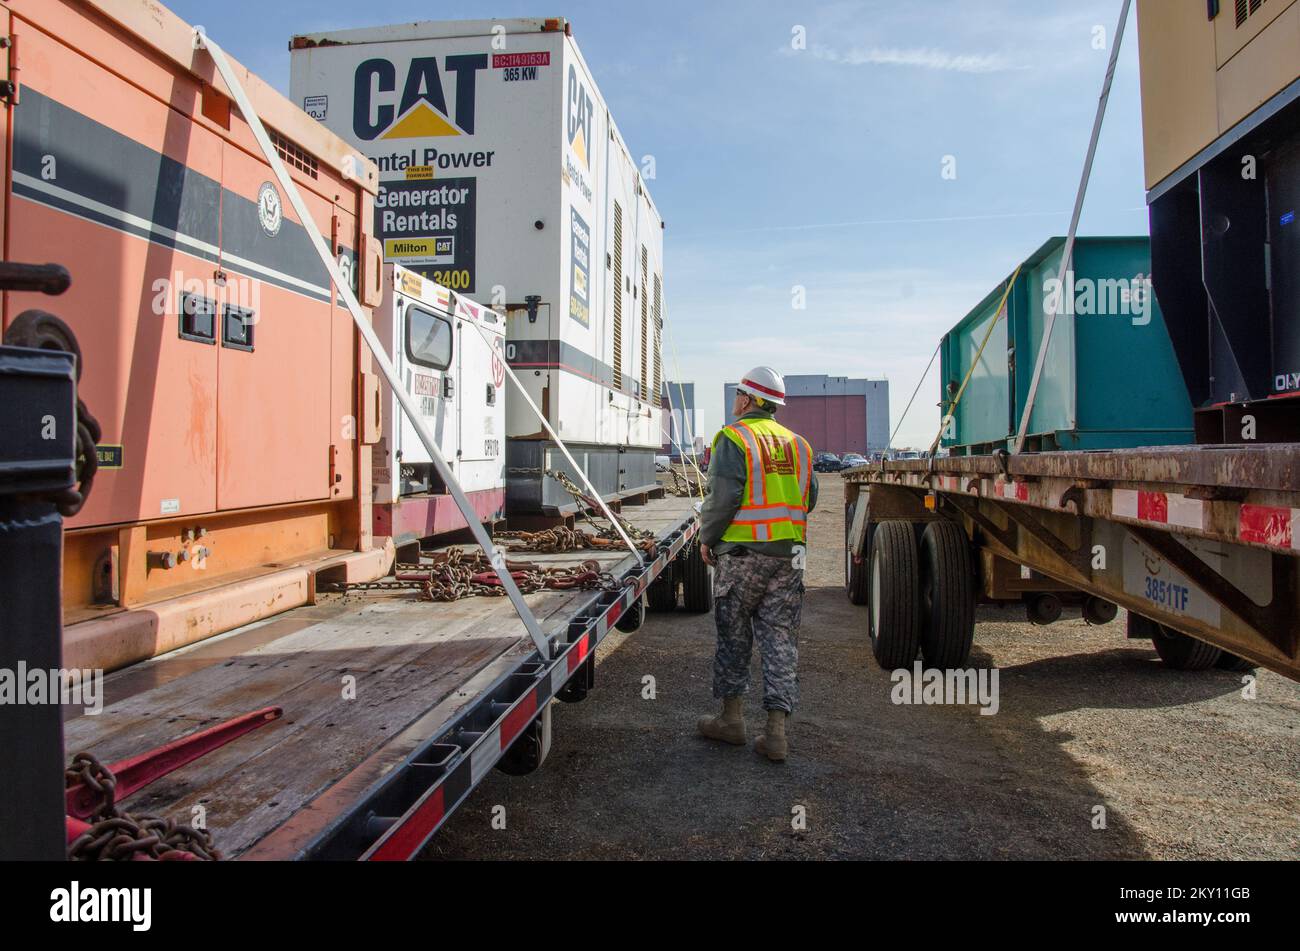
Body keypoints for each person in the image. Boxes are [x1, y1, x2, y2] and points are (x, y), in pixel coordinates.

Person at [696, 367, 817, 763]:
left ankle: (731, 722)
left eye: (737, 395)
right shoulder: (799, 444)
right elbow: (808, 499)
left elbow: (722, 498)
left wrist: (707, 538)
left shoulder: (732, 438)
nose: (734, 401)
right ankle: (776, 734)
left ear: (747, 400)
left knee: (734, 638)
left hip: (743, 556)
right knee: (780, 640)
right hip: (790, 557)